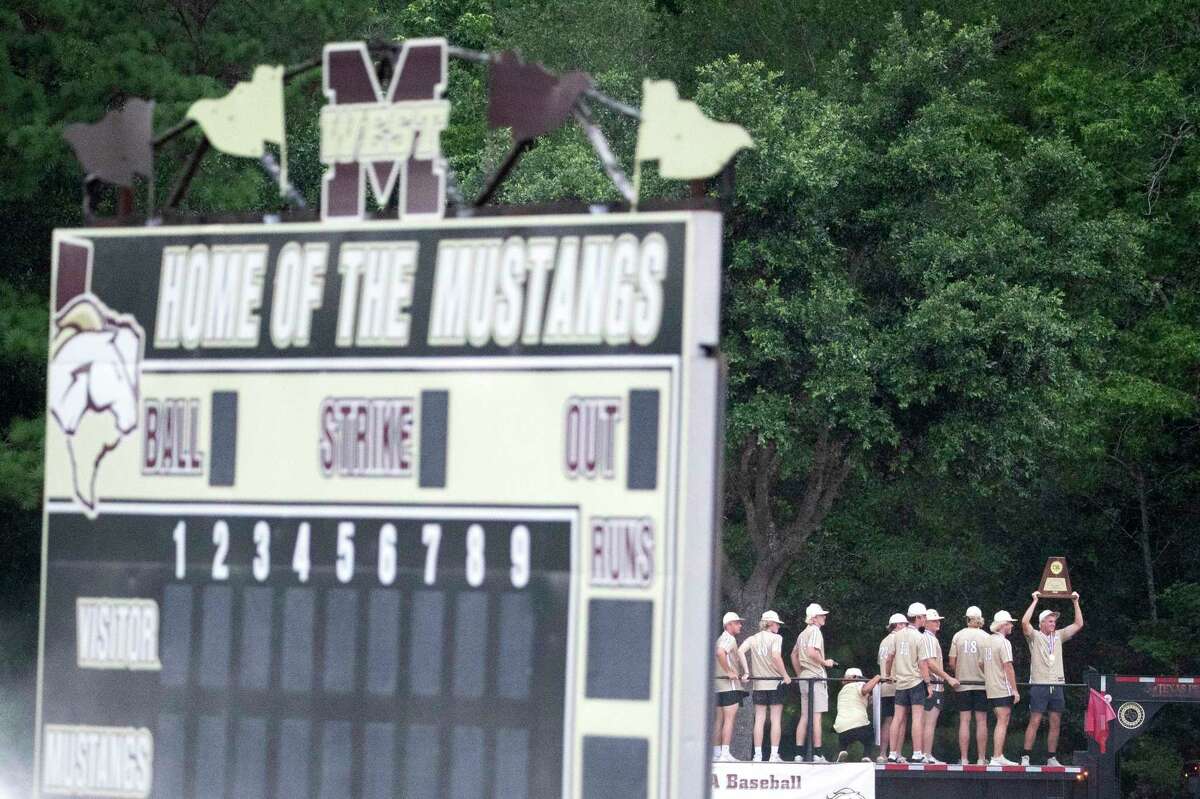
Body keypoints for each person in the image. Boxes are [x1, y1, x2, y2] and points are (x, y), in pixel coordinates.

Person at [1020, 591, 1084, 767]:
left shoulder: (1059, 636)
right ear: (1041, 623)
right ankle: (1025, 756)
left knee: (1056, 721)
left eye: (1054, 621)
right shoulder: (1034, 636)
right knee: (1035, 720)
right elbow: (1024, 622)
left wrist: (1075, 602)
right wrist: (1035, 600)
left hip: (1057, 684)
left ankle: (1051, 758)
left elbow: (1079, 624)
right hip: (1039, 684)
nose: (1053, 623)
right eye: (1049, 621)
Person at [740, 610, 792, 762]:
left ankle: (757, 755)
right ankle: (773, 755)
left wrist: (747, 671)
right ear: (770, 623)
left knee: (760, 719)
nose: (778, 626)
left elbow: (740, 651)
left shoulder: (753, 638)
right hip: (775, 682)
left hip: (759, 684)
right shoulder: (776, 638)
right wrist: (785, 675)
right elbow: (776, 657)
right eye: (776, 623)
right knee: (776, 719)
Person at [884, 602, 934, 763]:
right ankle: (917, 753)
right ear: (918, 618)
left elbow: (889, 657)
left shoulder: (897, 635)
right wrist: (928, 683)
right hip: (916, 682)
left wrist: (887, 674)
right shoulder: (920, 637)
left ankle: (892, 753)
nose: (925, 619)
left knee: (897, 717)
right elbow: (922, 663)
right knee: (917, 717)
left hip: (900, 683)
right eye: (924, 616)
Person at [792, 603, 836, 763]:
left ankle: (798, 754)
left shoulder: (802, 634)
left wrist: (800, 674)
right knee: (816, 717)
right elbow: (811, 651)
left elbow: (793, 655)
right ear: (814, 618)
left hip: (804, 676)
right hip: (816, 676)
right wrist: (825, 662)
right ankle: (818, 754)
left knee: (804, 716)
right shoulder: (815, 631)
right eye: (821, 615)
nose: (824, 617)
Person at [948, 606, 991, 765]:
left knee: (964, 720)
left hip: (963, 683)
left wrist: (960, 670)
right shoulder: (987, 637)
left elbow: (952, 662)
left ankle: (964, 758)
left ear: (966, 619)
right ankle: (981, 758)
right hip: (982, 684)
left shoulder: (958, 636)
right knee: (981, 721)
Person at [919, 609, 960, 764]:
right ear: (926, 623)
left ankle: (923, 754)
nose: (938, 623)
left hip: (928, 685)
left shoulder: (926, 638)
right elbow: (929, 662)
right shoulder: (929, 639)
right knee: (929, 723)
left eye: (938, 620)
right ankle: (926, 755)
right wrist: (948, 677)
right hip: (933, 686)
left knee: (924, 722)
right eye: (934, 621)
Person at [983, 610, 1020, 766]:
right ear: (1004, 625)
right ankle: (997, 756)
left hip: (990, 686)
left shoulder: (987, 641)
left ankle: (997, 756)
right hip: (1002, 686)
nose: (1012, 626)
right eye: (1010, 623)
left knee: (1000, 719)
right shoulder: (1004, 642)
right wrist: (1015, 690)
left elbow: (980, 663)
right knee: (1003, 720)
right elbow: (1008, 666)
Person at [713, 611, 750, 762]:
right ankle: (725, 754)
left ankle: (716, 753)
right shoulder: (729, 639)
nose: (740, 625)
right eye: (737, 623)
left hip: (717, 686)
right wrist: (729, 672)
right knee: (729, 719)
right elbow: (720, 653)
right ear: (728, 625)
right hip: (730, 686)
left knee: (718, 720)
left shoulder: (719, 638)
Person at [876, 613, 907, 763]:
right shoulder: (898, 640)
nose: (906, 627)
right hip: (896, 685)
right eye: (905, 624)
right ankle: (897, 753)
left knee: (888, 721)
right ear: (898, 625)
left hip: (884, 686)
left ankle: (882, 753)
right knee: (900, 720)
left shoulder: (883, 641)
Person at [834, 667, 883, 763]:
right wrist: (877, 678)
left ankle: (842, 750)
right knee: (869, 735)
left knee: (843, 736)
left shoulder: (842, 692)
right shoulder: (858, 684)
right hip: (859, 725)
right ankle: (866, 755)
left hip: (842, 728)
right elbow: (865, 690)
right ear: (855, 677)